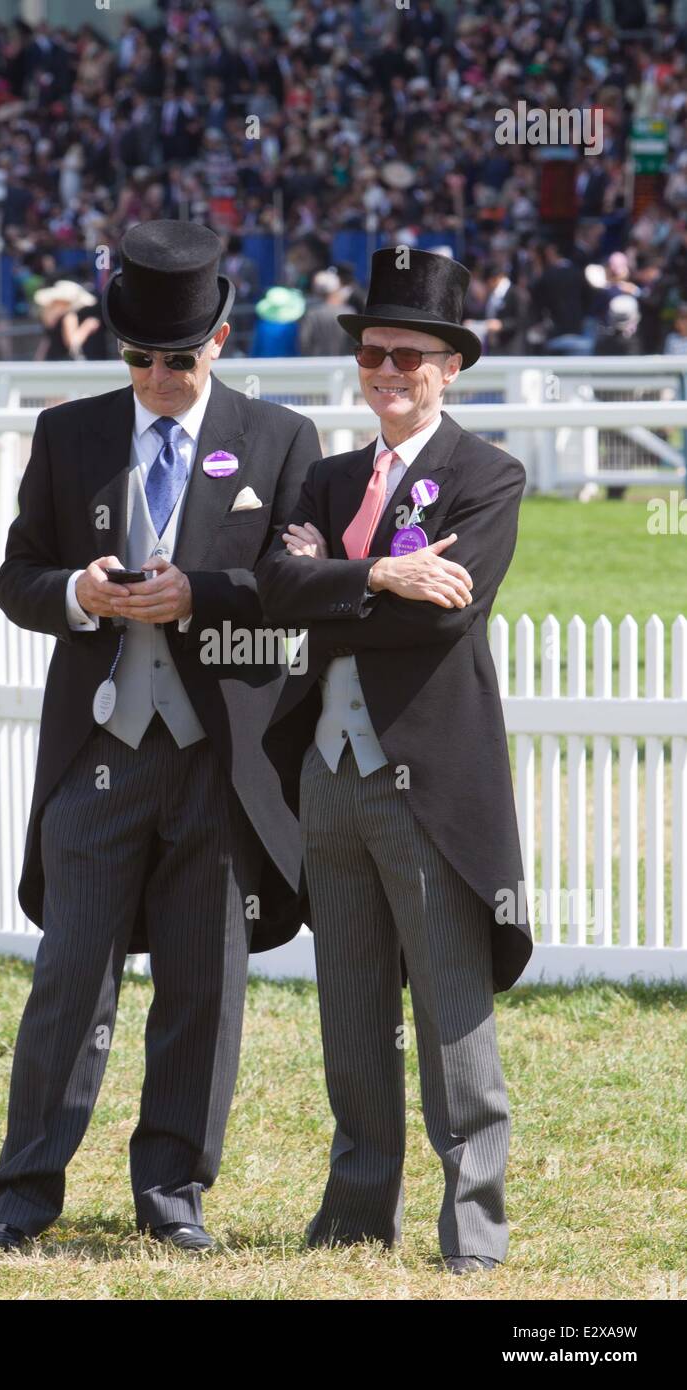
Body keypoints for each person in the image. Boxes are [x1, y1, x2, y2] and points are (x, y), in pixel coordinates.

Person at [0, 219, 321, 1255]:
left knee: (202, 991)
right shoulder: (69, 432)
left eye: (176, 357)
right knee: (68, 979)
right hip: (99, 754)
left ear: (218, 342)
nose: (158, 377)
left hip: (218, 761)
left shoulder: (280, 439)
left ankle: (172, 1194)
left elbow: (295, 591)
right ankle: (20, 1194)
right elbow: (15, 576)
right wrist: (76, 593)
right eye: (138, 358)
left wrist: (197, 594)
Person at [256, 247, 532, 1273]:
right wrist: (378, 571)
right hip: (325, 775)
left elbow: (442, 625)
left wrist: (330, 582)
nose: (384, 370)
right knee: (350, 1002)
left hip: (424, 779)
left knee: (451, 1009)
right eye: (370, 352)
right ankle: (354, 1209)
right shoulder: (329, 476)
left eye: (406, 355)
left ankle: (473, 1229)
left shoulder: (485, 475)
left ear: (450, 364)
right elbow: (276, 585)